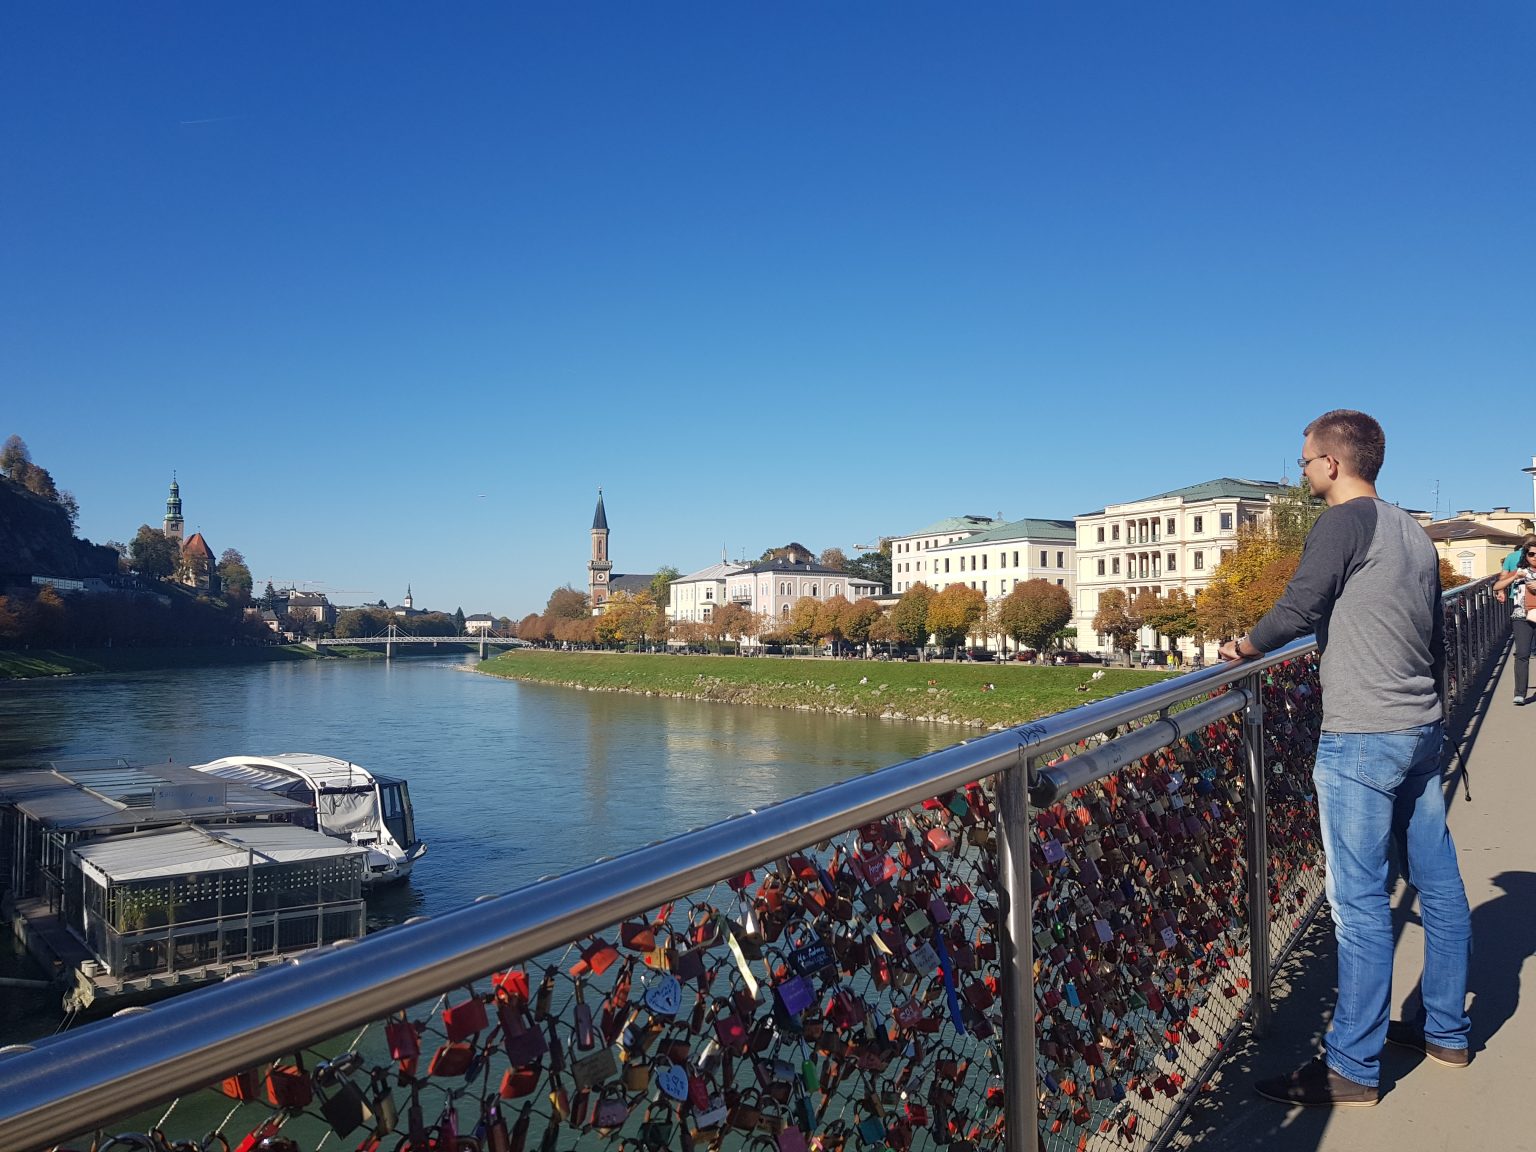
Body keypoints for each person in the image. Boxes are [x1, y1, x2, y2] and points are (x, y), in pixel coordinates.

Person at [1222, 409, 1470, 1108]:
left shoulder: (1342, 522)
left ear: (1333, 462)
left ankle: (1352, 1068)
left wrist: (1243, 647)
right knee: (1440, 886)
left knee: (1360, 905)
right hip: (1419, 728)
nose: (1301, 470)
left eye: (1305, 460)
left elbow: (1301, 607)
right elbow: (1432, 634)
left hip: (1363, 735)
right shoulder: (1411, 531)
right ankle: (1447, 1031)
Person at [1492, 541, 1536, 705]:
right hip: (1521, 616)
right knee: (1522, 654)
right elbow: (1497, 585)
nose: (1534, 557)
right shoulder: (1520, 571)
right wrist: (1514, 578)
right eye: (1531, 554)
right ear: (1525, 555)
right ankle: (1520, 693)